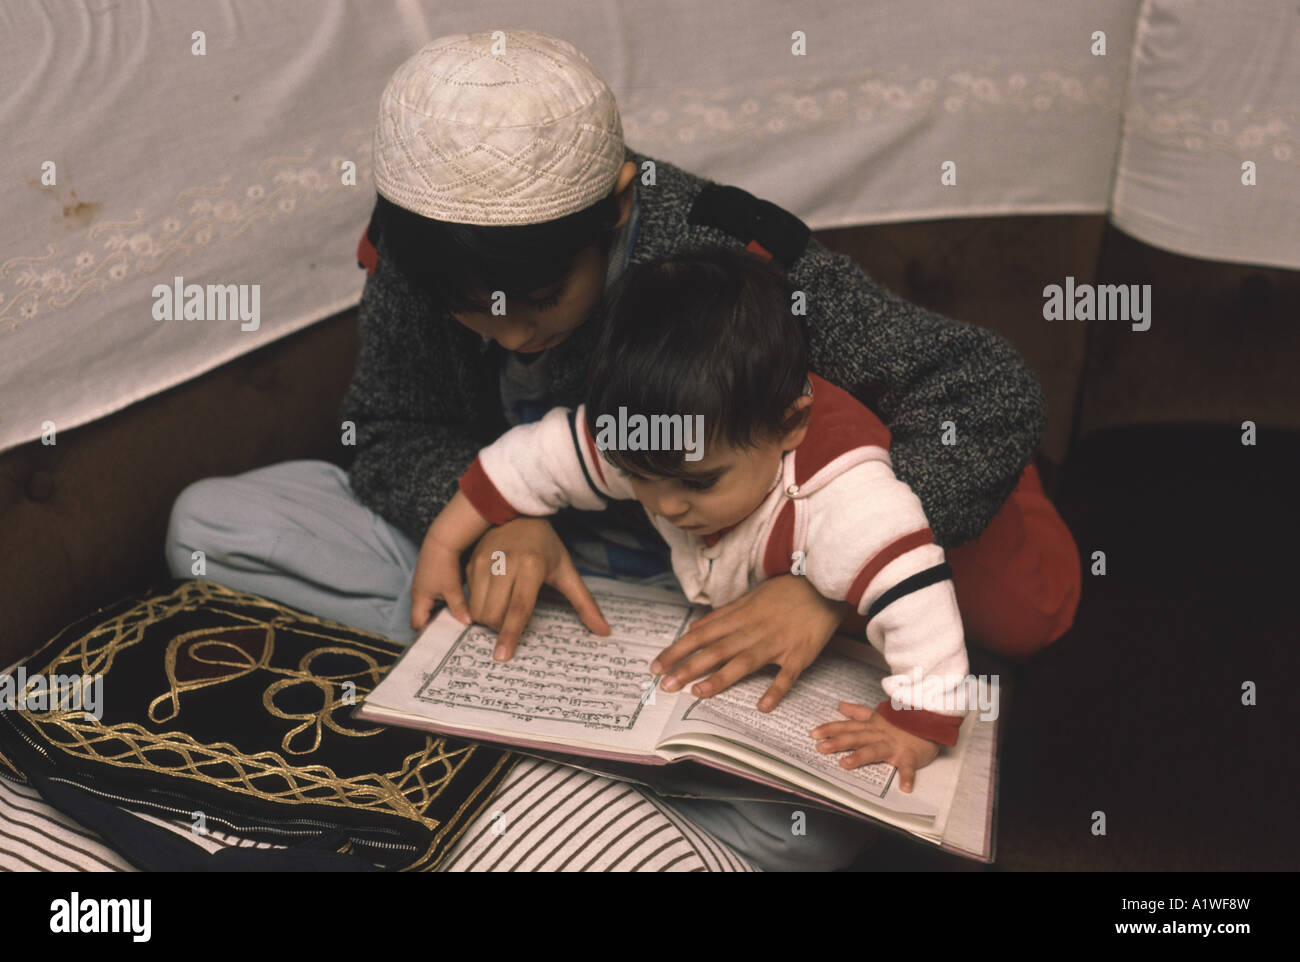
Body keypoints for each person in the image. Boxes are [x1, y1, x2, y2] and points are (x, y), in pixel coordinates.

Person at [167, 29, 1081, 869]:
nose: (511, 336)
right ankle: (568, 744)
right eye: (472, 310)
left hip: (740, 576)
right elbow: (390, 431)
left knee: (812, 822)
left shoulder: (722, 250)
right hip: (554, 563)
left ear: (615, 207)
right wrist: (502, 525)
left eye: (537, 300)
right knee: (213, 526)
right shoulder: (420, 255)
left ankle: (560, 745)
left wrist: (818, 588)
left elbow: (984, 389)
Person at [419, 247, 974, 795]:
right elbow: (537, 458)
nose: (664, 505)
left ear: (788, 427)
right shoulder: (653, 440)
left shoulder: (849, 502)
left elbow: (921, 604)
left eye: (698, 483)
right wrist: (444, 543)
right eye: (636, 475)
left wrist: (917, 724)